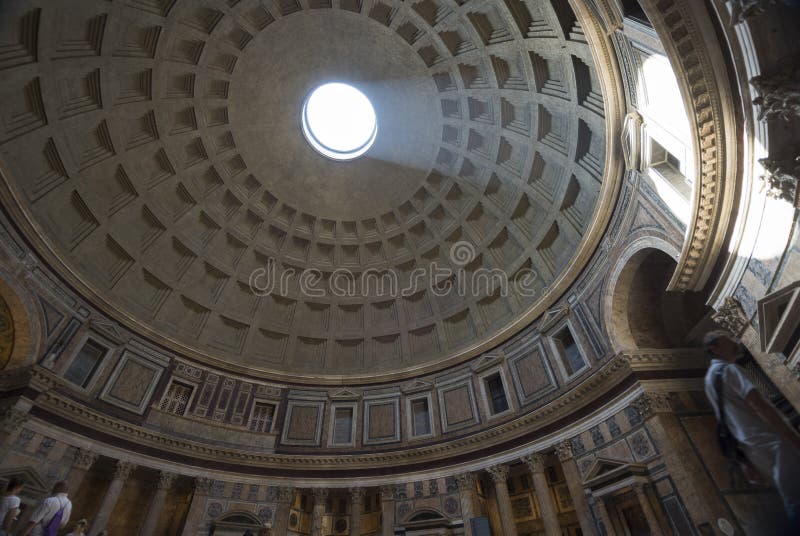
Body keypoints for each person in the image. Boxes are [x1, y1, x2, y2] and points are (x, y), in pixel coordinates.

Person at [704, 331, 800, 527]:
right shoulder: (729, 370)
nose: (733, 341)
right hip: (775, 441)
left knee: (792, 498)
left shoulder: (709, 380)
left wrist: (744, 462)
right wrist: (792, 437)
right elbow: (759, 404)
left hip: (754, 449)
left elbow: (725, 425)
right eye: (726, 338)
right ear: (713, 348)